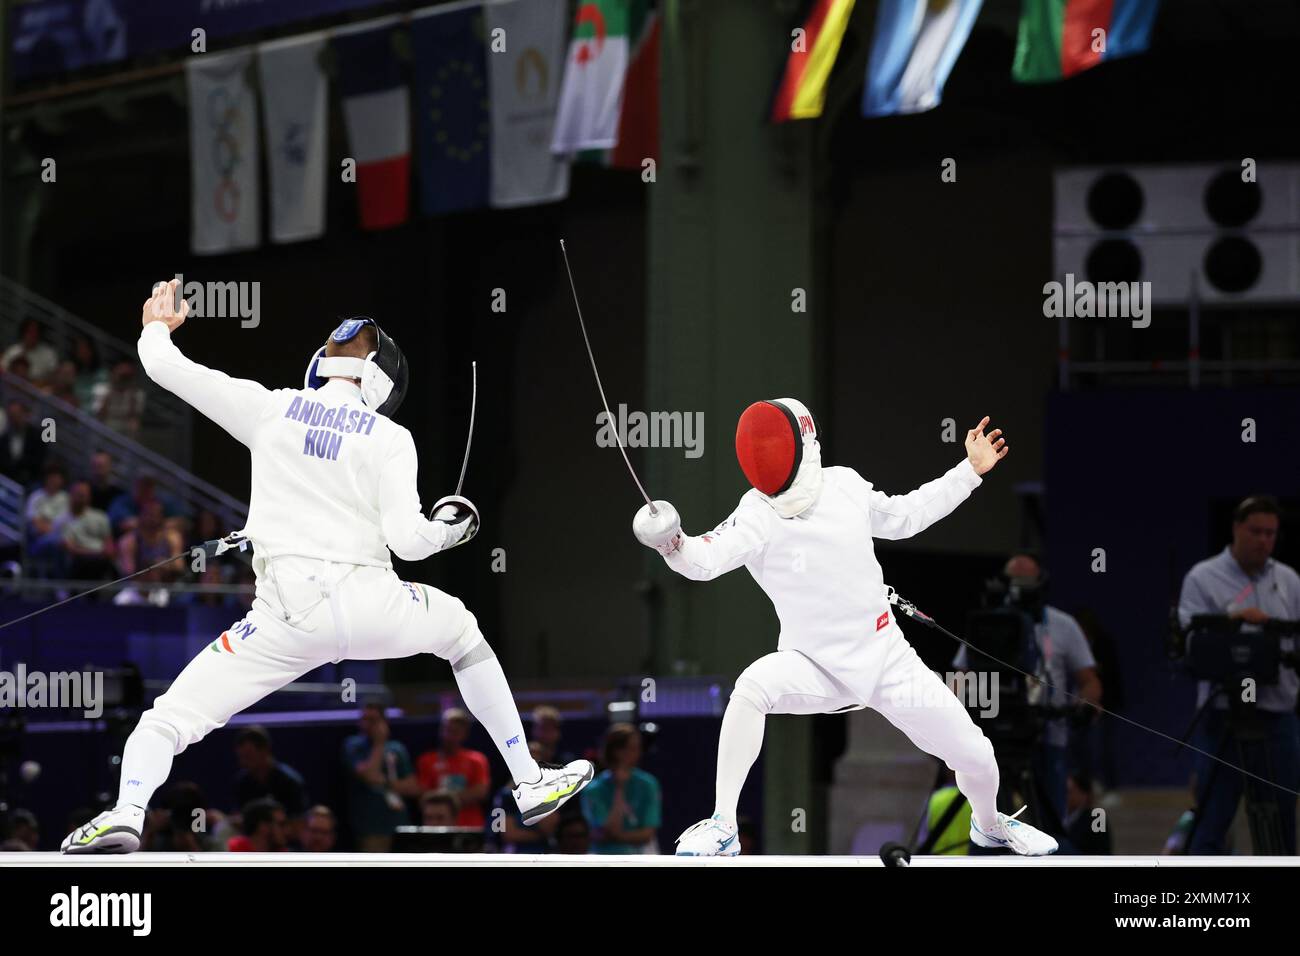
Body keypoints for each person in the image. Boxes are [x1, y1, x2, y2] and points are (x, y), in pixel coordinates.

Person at [62, 279, 592, 854]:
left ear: (327, 362)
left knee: (165, 720)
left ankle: (127, 811)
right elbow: (410, 543)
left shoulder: (271, 408)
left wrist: (157, 324)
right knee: (460, 628)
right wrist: (452, 528)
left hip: (284, 618)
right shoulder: (391, 437)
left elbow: (164, 365)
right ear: (380, 378)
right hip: (373, 606)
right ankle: (531, 780)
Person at [633, 400, 1057, 856]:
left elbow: (905, 516)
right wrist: (672, 543)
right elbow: (705, 560)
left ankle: (990, 825)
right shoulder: (756, 513)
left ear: (802, 442)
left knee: (977, 755)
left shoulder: (844, 485)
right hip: (816, 666)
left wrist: (969, 471)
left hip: (887, 658)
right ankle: (723, 824)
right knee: (752, 686)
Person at [1179, 495, 1300, 854]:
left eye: (1271, 533)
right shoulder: (1204, 577)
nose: (1264, 540)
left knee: (1282, 816)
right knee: (1213, 818)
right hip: (1223, 717)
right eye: (1256, 532)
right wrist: (1233, 622)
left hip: (1277, 715)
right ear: (1236, 529)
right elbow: (1188, 643)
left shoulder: (1289, 579)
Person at [952, 553, 1102, 822]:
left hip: (1047, 736)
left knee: (1049, 822)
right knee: (987, 822)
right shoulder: (989, 625)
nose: (1019, 589)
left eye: (1026, 582)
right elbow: (960, 675)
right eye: (1014, 581)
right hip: (993, 735)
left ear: (1040, 583)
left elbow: (1089, 680)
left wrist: (1084, 705)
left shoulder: (1063, 625)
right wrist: (954, 720)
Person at [343, 703, 419, 852]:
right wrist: (379, 744)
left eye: (373, 720)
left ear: (384, 722)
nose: (367, 725)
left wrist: (385, 782)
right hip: (372, 828)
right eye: (364, 719)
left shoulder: (397, 748)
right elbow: (370, 776)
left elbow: (413, 787)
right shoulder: (353, 745)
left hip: (400, 825)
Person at [581, 723, 661, 854]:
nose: (637, 753)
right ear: (615, 751)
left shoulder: (649, 784)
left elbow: (647, 834)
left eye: (637, 748)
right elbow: (605, 831)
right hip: (604, 859)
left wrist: (617, 836)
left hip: (640, 858)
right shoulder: (593, 789)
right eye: (631, 748)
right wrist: (619, 788)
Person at [415, 708, 491, 827]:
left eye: (456, 732)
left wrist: (443, 798)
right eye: (448, 730)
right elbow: (424, 796)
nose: (450, 736)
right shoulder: (426, 760)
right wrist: (461, 797)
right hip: (436, 826)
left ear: (464, 734)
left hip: (470, 825)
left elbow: (480, 792)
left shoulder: (477, 760)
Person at [233, 726, 309, 843]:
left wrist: (273, 831)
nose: (243, 763)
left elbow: (299, 826)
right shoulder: (242, 782)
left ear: (265, 750)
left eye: (248, 756)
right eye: (241, 758)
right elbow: (239, 817)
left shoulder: (289, 781)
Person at [61, 480, 115, 580]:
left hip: (101, 559)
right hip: (79, 559)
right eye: (79, 494)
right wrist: (93, 554)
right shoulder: (63, 519)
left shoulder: (100, 516)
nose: (82, 497)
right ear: (71, 495)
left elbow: (109, 543)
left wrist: (107, 552)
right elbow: (70, 548)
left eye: (84, 494)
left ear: (89, 496)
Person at [0, 399, 46, 487]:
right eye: (11, 416)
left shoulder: (37, 436)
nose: (14, 419)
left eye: (17, 415)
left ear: (25, 414)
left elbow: (39, 461)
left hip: (29, 479)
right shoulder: (4, 438)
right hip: (8, 480)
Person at [2, 318, 58, 383]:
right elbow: (3, 370)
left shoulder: (48, 354)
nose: (32, 335)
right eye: (29, 332)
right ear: (23, 332)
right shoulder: (13, 350)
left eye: (35, 332)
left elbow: (53, 377)